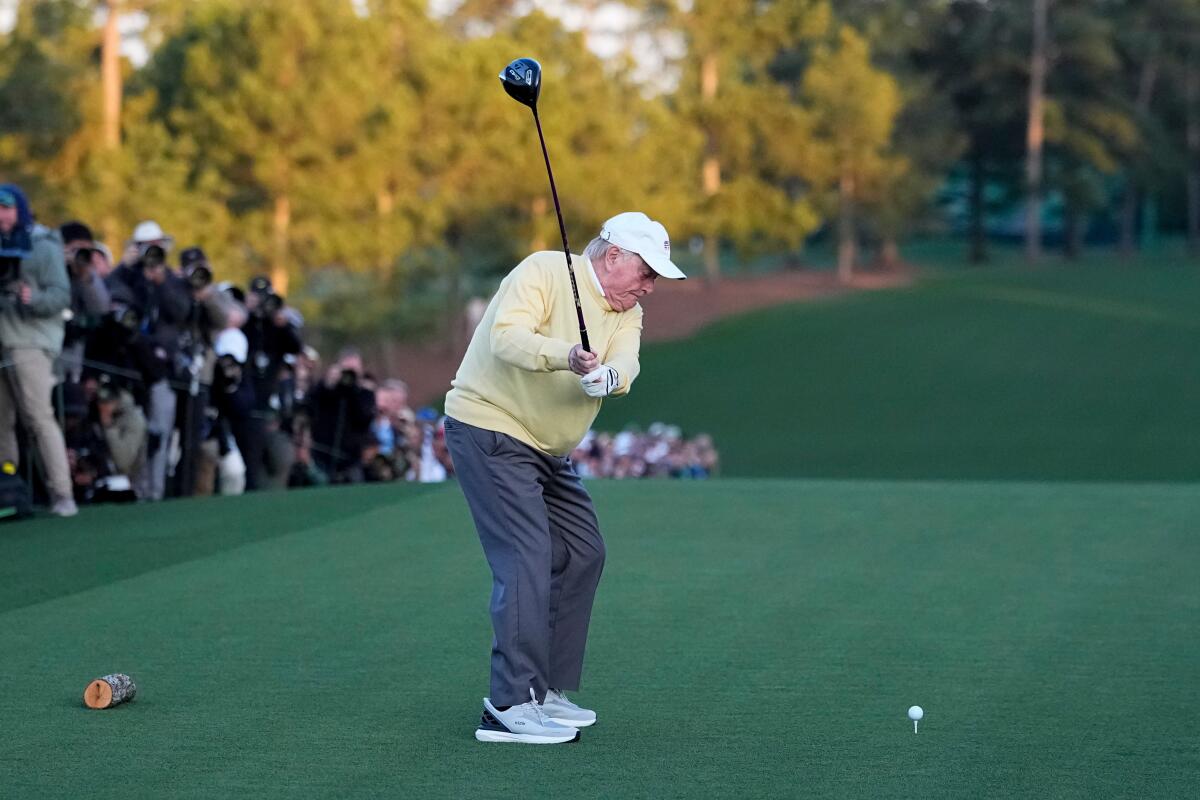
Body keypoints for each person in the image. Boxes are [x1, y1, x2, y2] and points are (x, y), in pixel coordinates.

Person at [443, 211, 685, 744]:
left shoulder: (628, 310)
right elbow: (507, 337)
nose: (649, 287)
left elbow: (628, 361)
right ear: (614, 254)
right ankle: (507, 705)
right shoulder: (545, 271)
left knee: (582, 551)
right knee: (526, 558)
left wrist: (611, 375)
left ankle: (542, 690)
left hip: (548, 450)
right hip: (489, 427)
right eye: (647, 272)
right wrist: (566, 357)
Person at [0, 184, 77, 516]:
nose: (1, 216)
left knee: (38, 417)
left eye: (6, 208)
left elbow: (62, 295)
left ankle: (63, 494)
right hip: (4, 339)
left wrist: (34, 299)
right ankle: (8, 491)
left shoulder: (42, 246)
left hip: (31, 340)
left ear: (19, 210)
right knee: (1, 421)